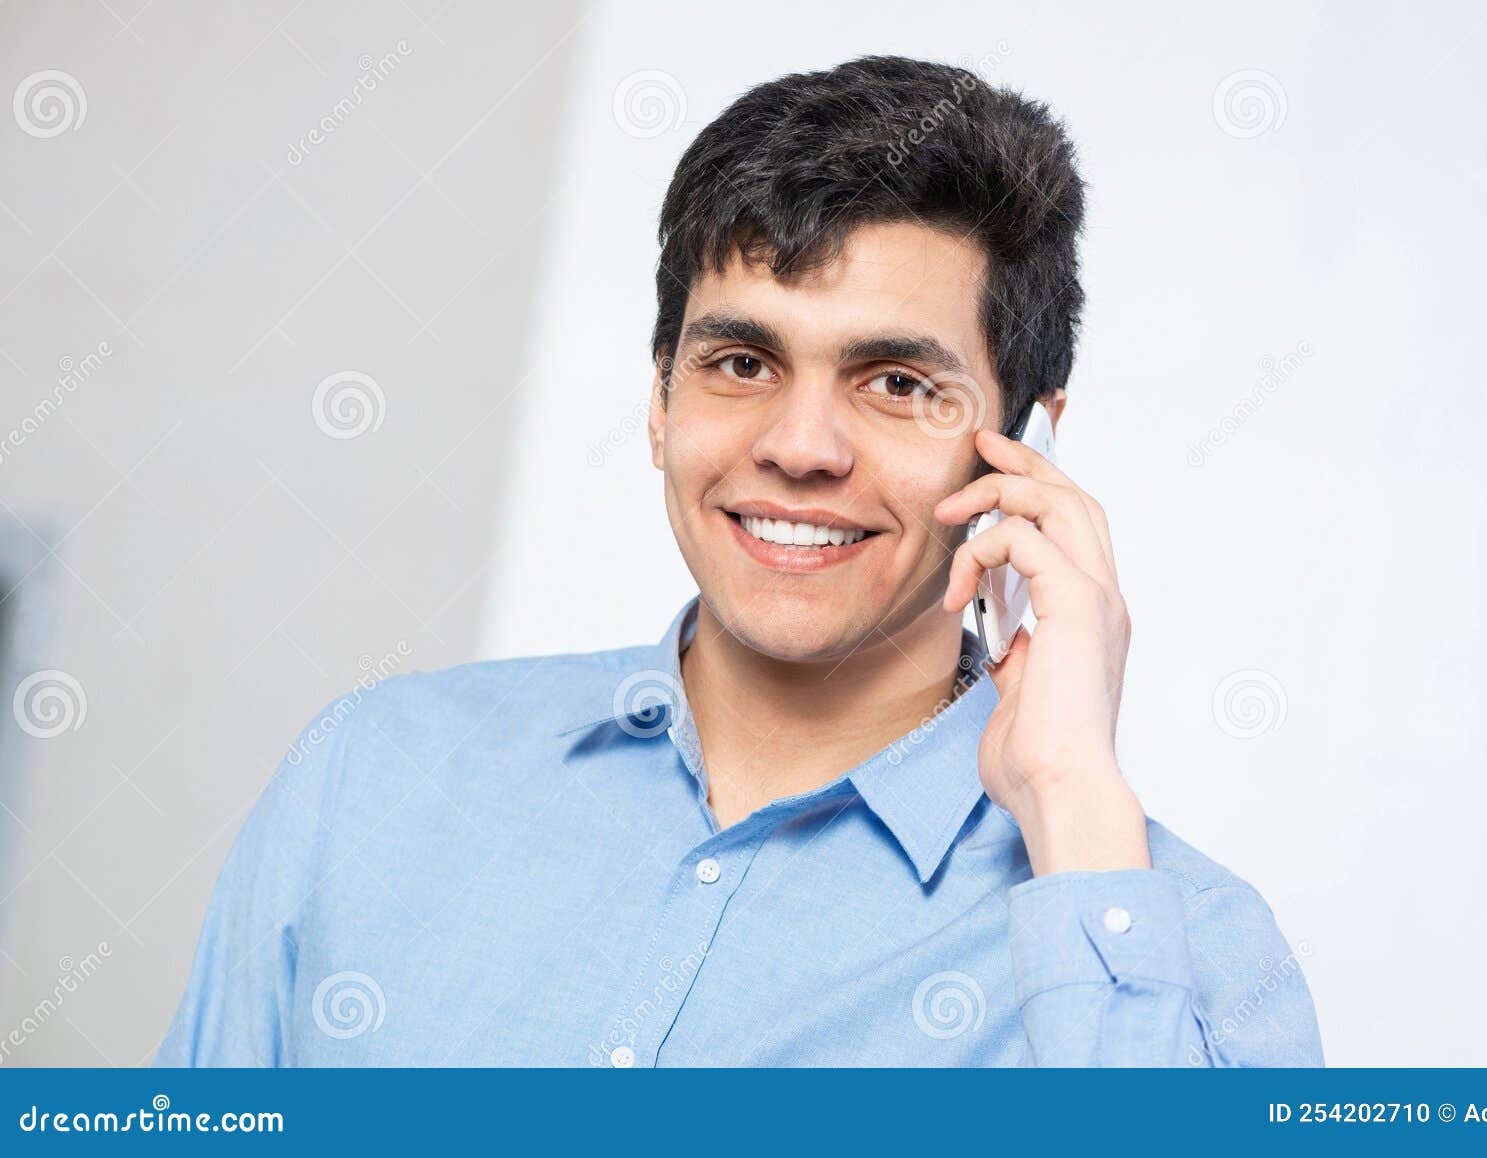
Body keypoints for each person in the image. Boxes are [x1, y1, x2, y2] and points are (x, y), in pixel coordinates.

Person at [156, 54, 1322, 1067]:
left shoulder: (1183, 945)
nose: (799, 448)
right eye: (742, 363)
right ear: (660, 402)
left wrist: (1070, 798)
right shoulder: (370, 777)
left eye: (895, 383)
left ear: (1027, 444)